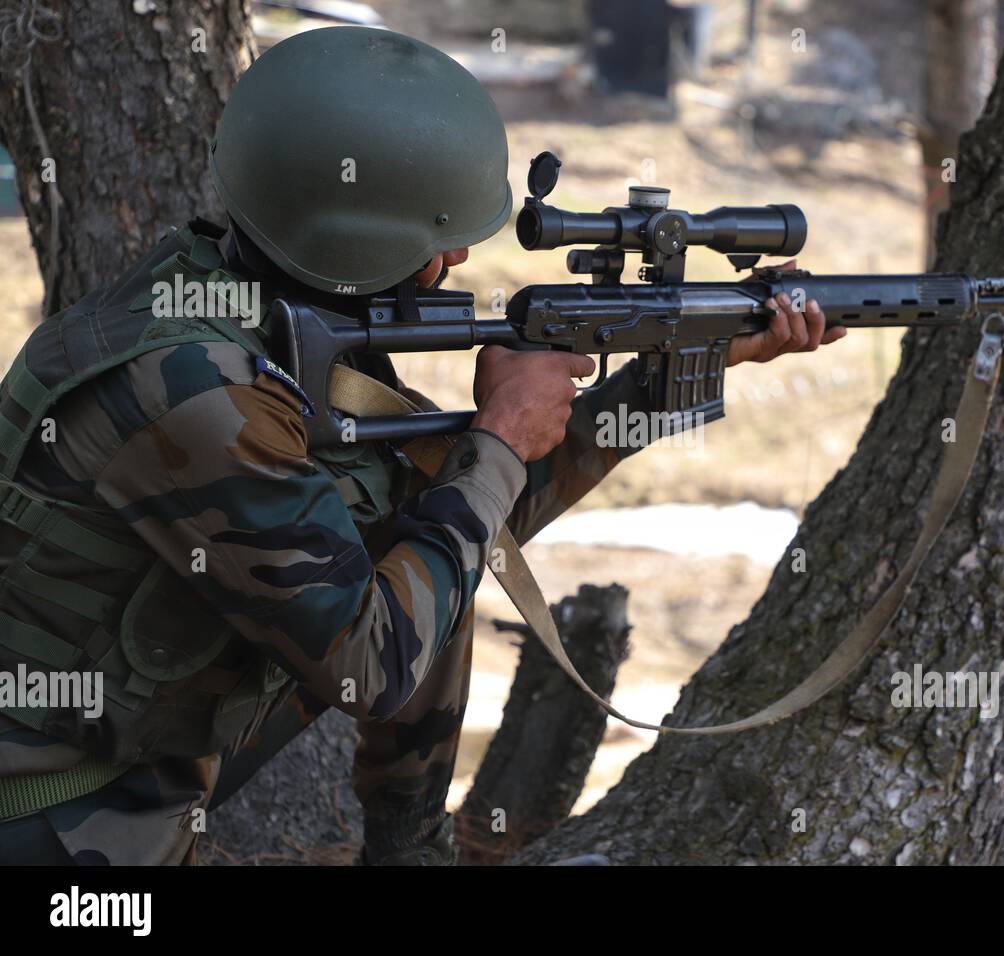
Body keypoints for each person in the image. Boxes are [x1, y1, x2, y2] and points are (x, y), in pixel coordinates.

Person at [0, 26, 841, 865]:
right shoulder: (193, 386)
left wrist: (672, 371)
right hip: (58, 800)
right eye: (437, 234)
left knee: (431, 541)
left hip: (141, 729)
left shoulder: (244, 301)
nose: (459, 255)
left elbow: (464, 516)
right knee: (425, 571)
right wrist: (501, 435)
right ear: (351, 237)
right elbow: (374, 659)